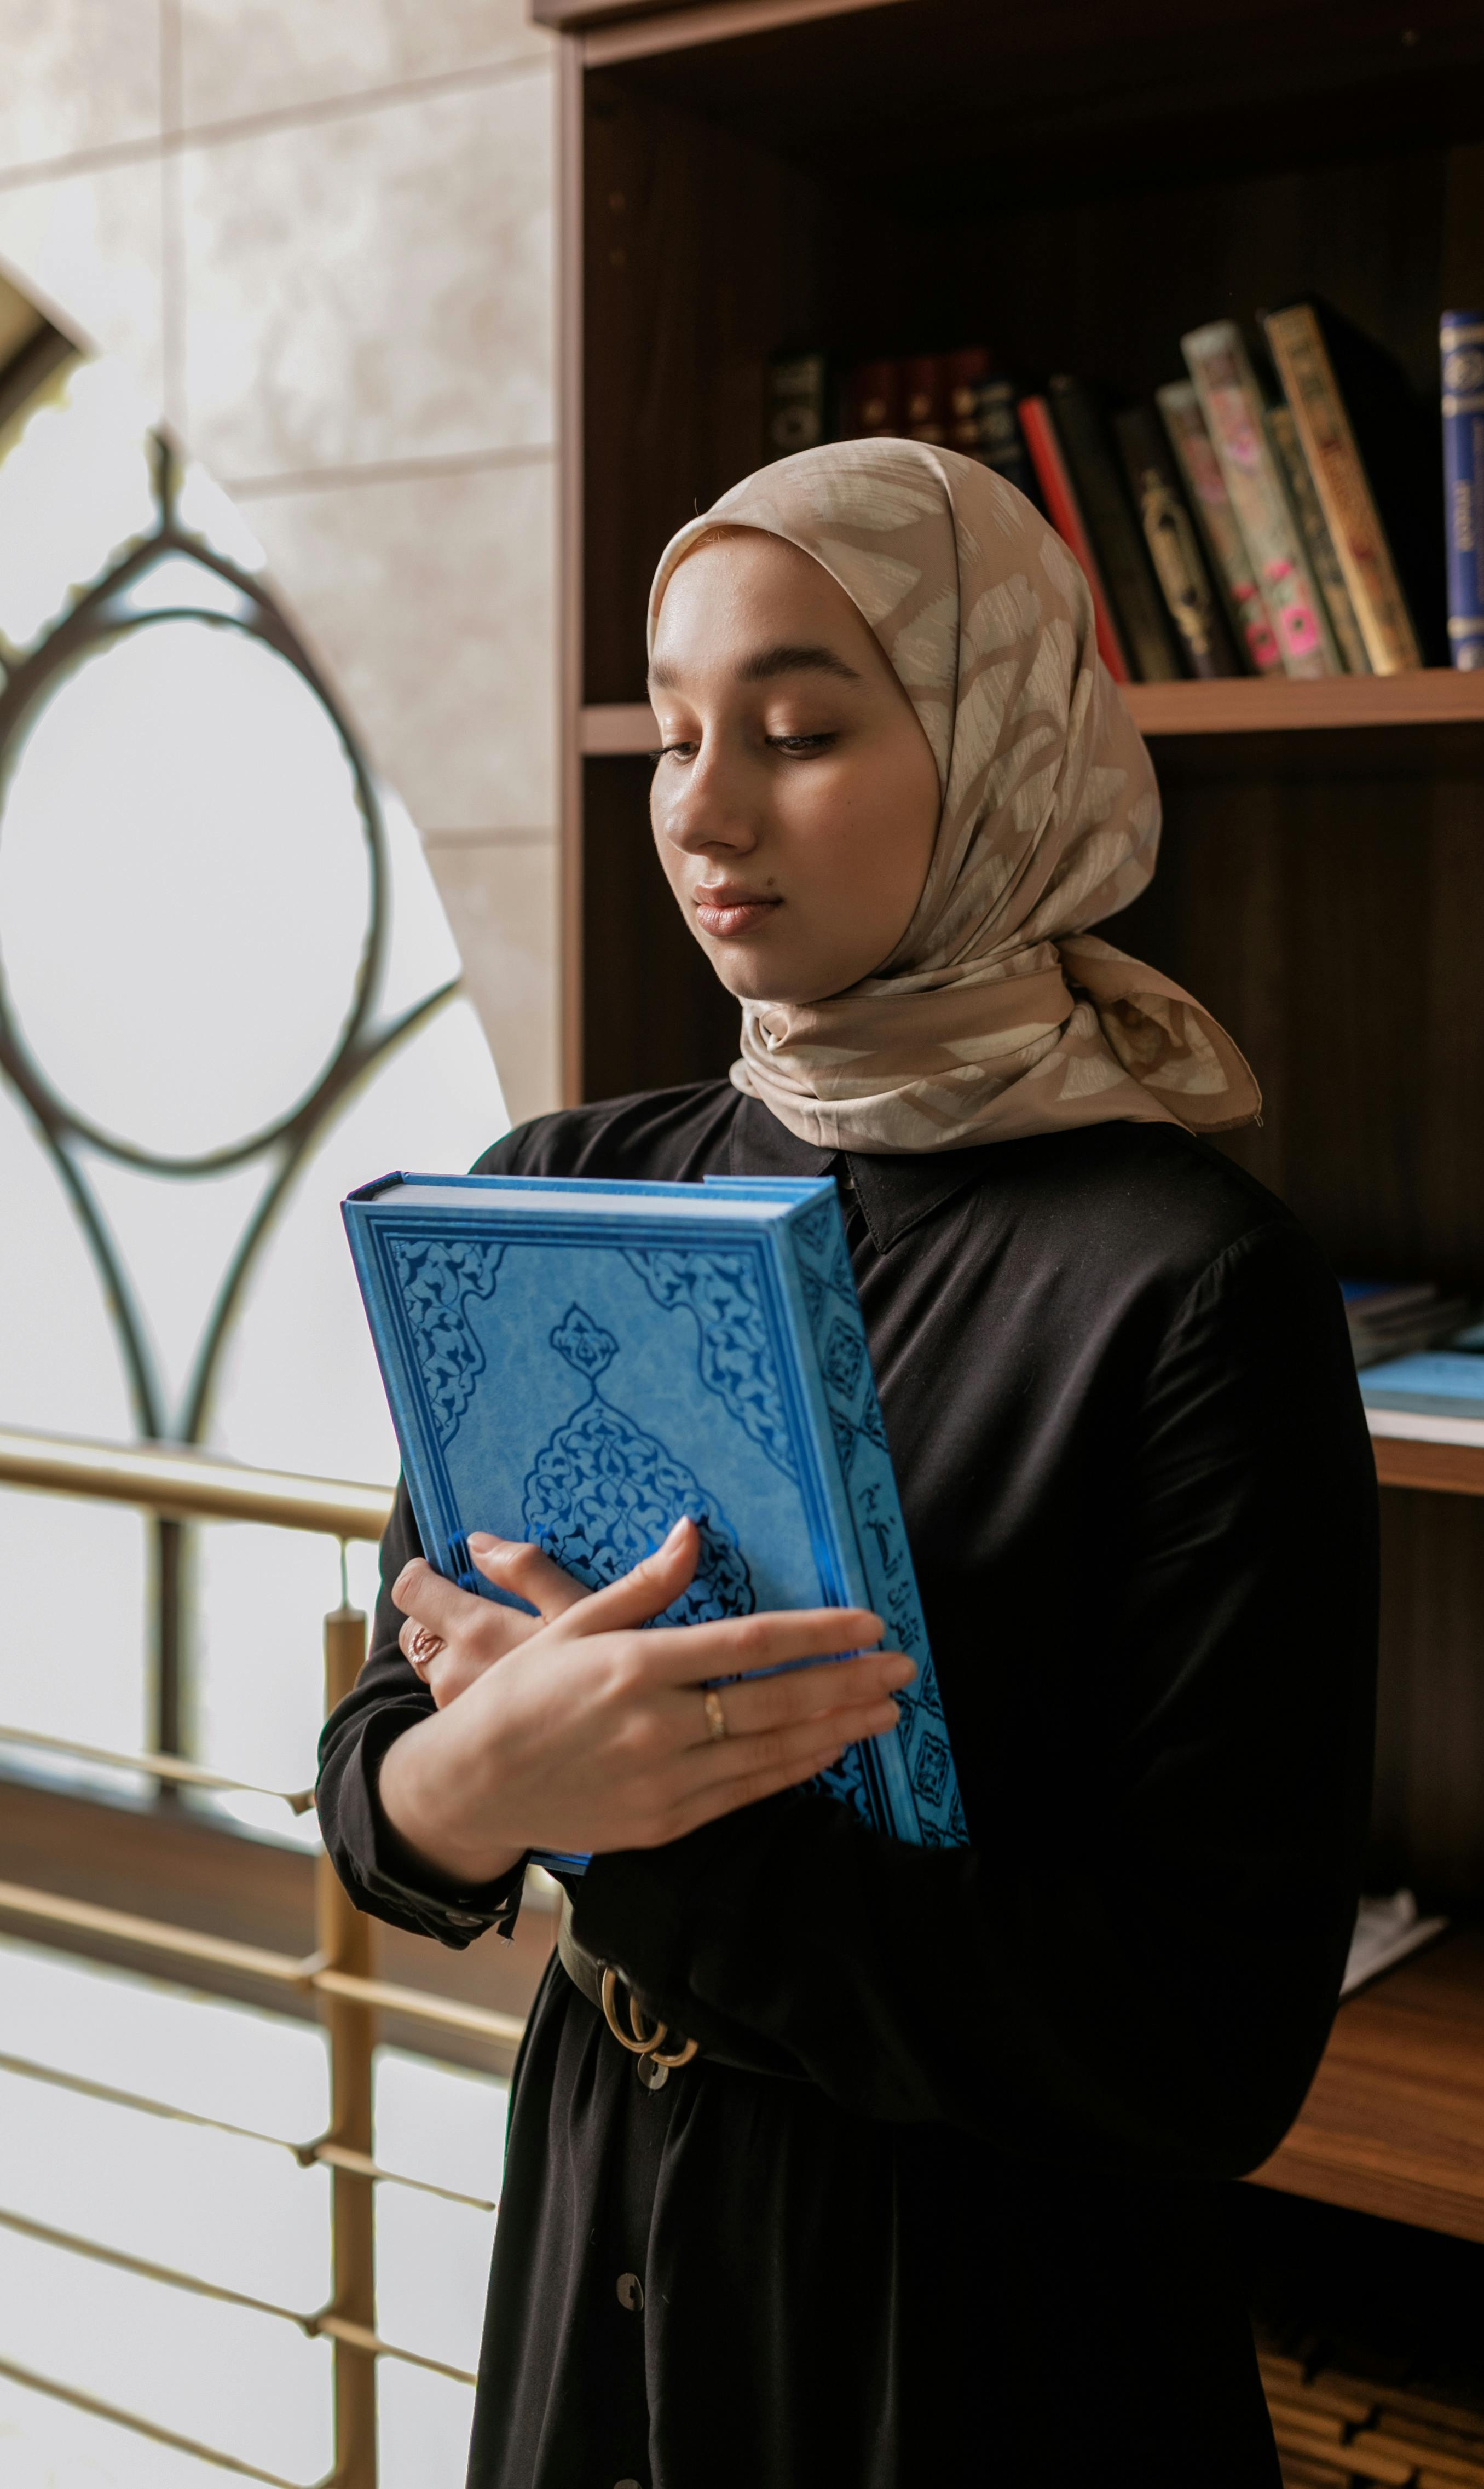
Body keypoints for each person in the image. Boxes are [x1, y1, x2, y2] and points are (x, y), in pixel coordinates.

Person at [318, 438, 1378, 2487]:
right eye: (675, 735)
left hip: (974, 2325)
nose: (704, 811)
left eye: (798, 732)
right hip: (600, 2220)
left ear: (998, 755)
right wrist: (476, 1782)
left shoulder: (1190, 1287)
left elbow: (1205, 2045)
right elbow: (382, 1784)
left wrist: (627, 1827)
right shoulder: (566, 1189)